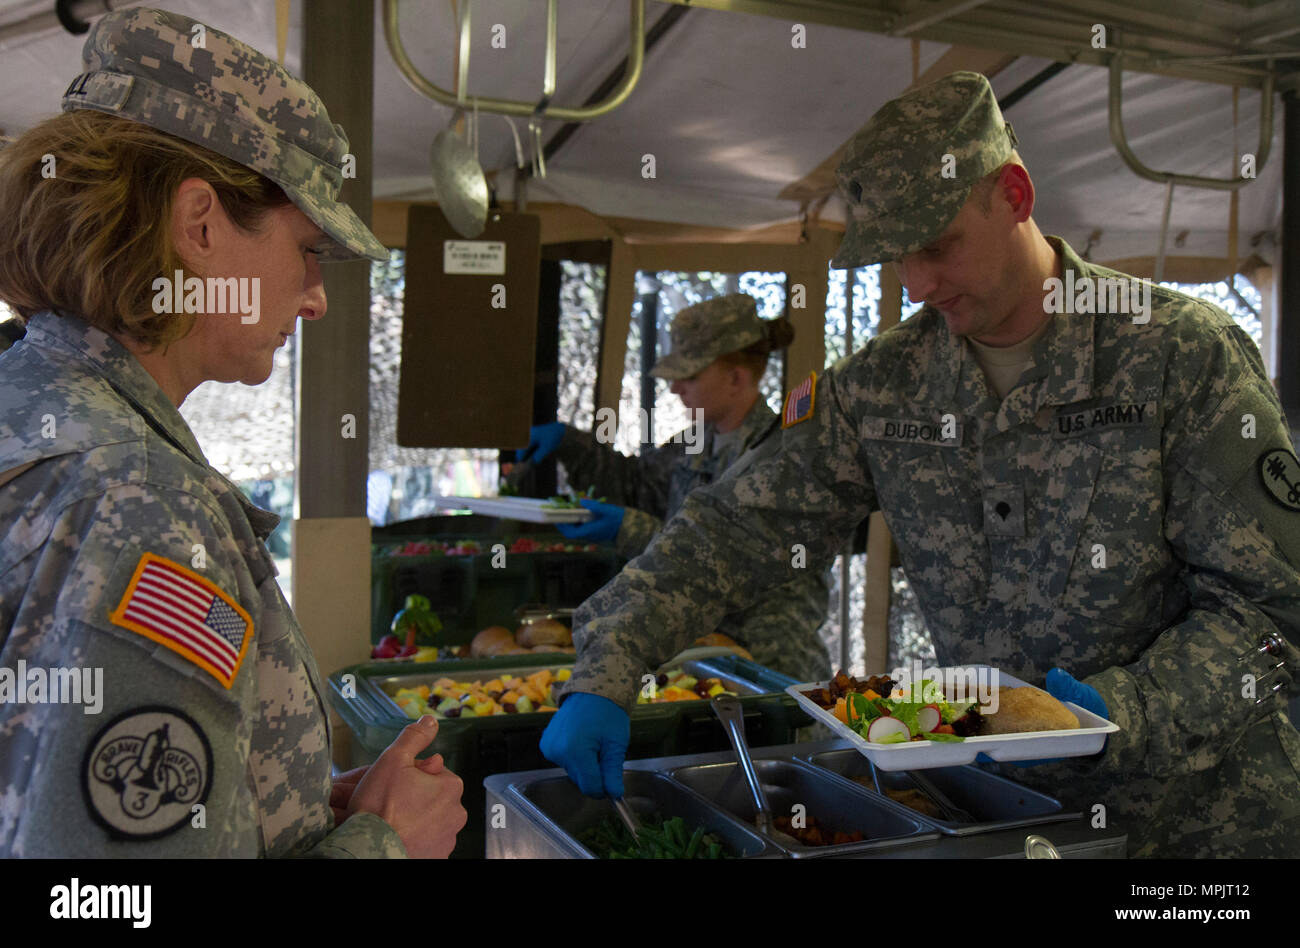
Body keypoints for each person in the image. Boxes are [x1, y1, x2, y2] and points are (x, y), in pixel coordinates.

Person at [539, 71, 1300, 857]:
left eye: (938, 245)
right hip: (1006, 819)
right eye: (898, 257)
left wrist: (1122, 713)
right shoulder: (883, 388)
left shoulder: (1176, 355)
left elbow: (1275, 611)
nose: (920, 283)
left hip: (1204, 830)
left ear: (1013, 194)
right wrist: (610, 659)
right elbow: (735, 526)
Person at [0, 8, 465, 857]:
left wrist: (282, 805)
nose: (317, 297)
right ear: (201, 225)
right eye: (309, 248)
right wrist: (387, 843)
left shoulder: (32, 406)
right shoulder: (137, 497)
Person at [518, 293, 832, 683]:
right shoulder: (695, 444)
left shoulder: (786, 457)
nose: (675, 389)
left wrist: (629, 530)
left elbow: (734, 567)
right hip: (698, 661)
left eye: (690, 376)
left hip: (768, 673)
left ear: (737, 377)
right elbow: (636, 485)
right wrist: (570, 443)